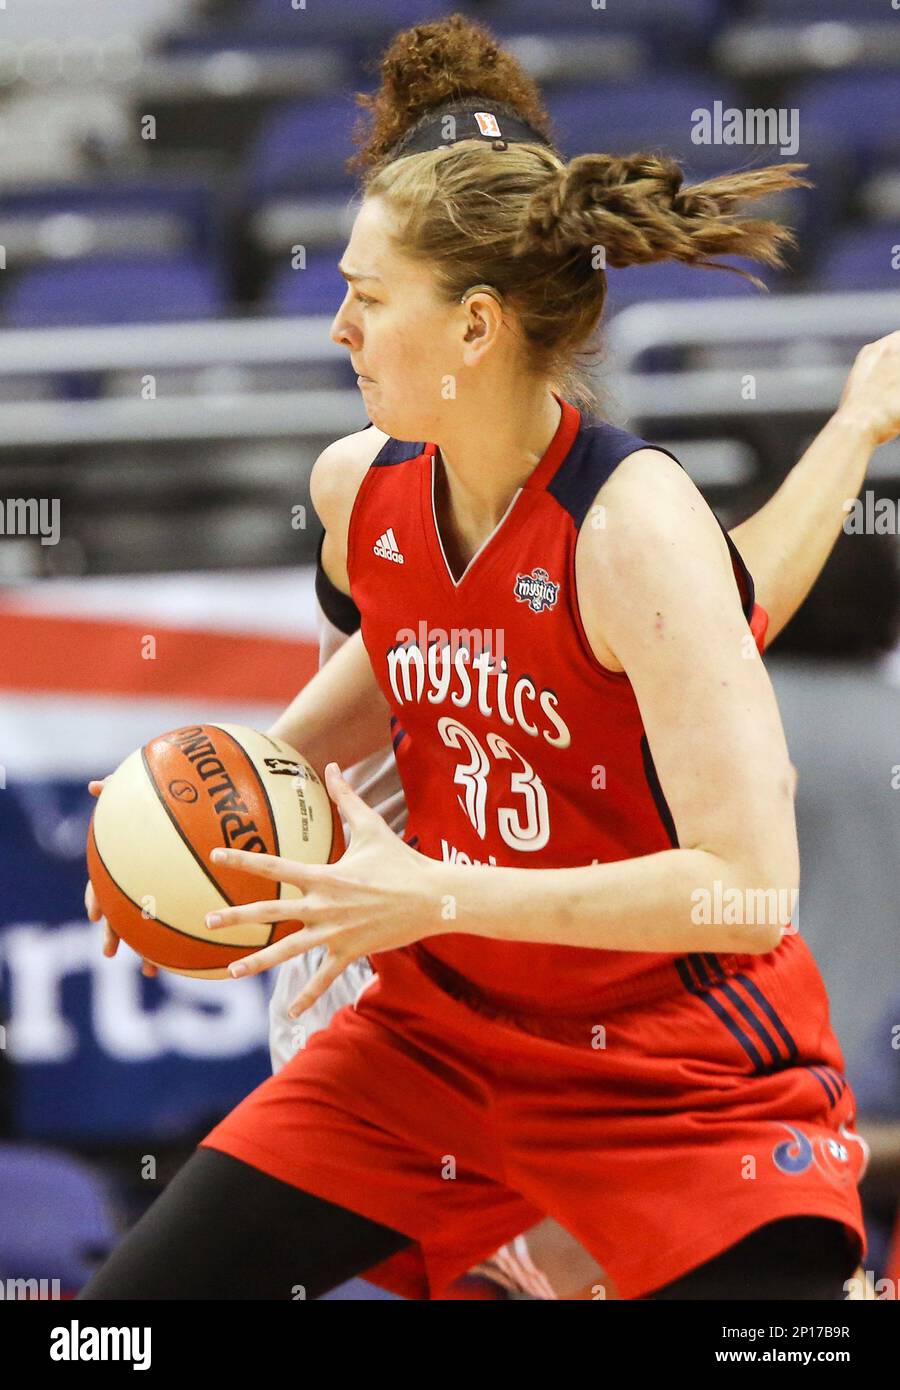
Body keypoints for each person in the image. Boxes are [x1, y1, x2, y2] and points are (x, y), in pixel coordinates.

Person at [79, 19, 900, 1303]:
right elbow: (327, 732)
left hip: (669, 1068)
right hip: (436, 1045)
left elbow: (748, 888)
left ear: (473, 327)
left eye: (366, 295)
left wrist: (440, 893)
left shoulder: (633, 526)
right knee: (111, 1328)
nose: (336, 326)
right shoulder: (362, 490)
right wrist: (165, 823)